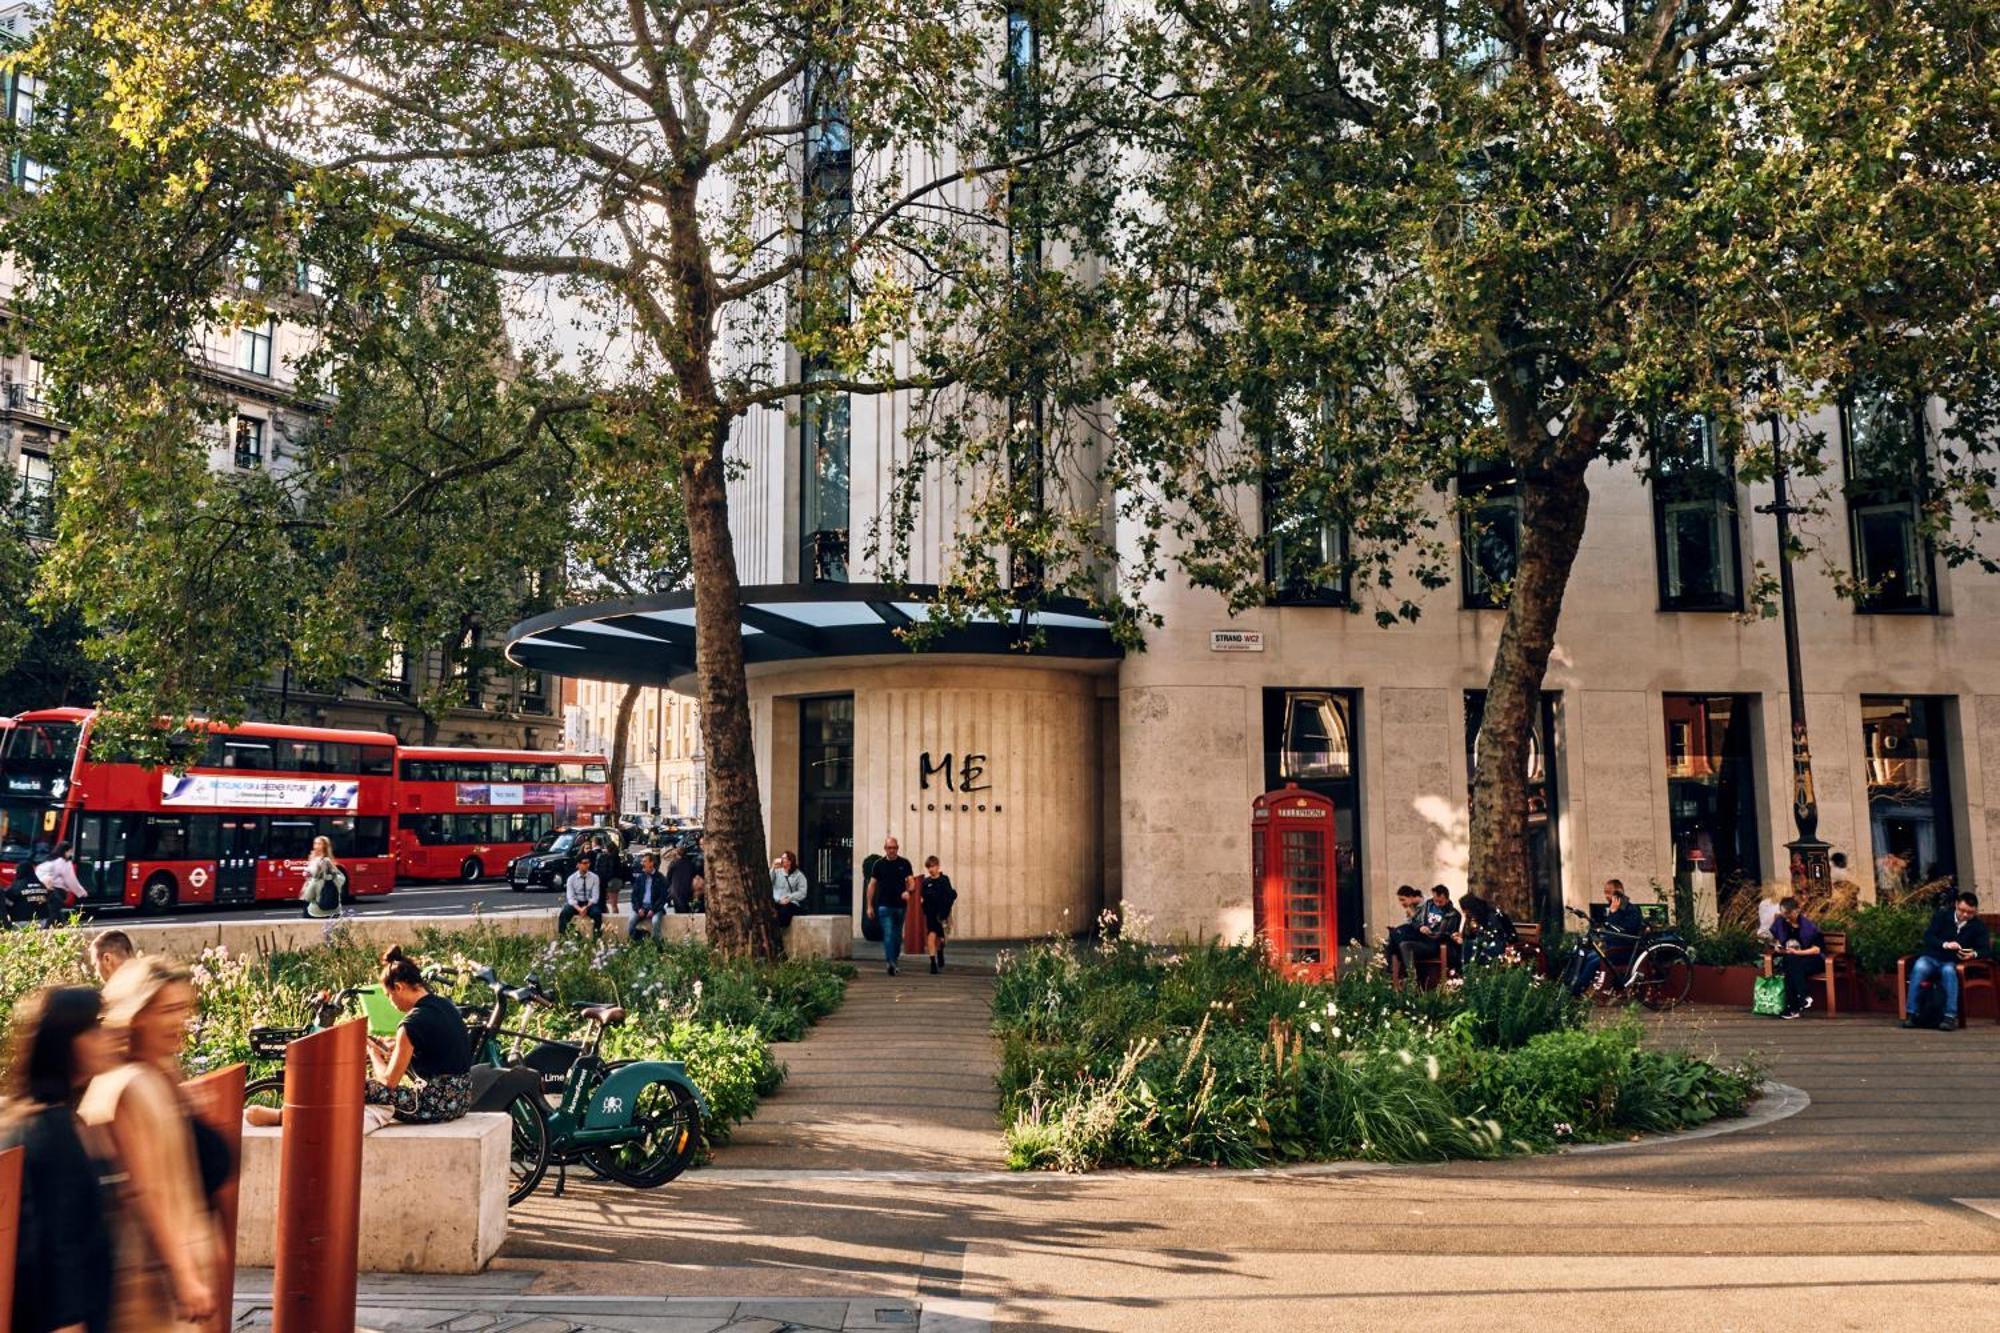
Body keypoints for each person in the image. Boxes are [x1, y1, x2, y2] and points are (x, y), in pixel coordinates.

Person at [81, 957, 221, 1331]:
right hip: (152, 1281)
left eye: (184, 1009)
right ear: (137, 1015)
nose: (181, 1021)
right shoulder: (127, 1086)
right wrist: (184, 1275)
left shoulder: (162, 1074)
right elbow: (145, 1191)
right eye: (169, 1010)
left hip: (181, 1271)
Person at [247, 947, 473, 1127]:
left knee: (347, 1084)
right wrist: (392, 1046)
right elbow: (437, 1048)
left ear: (399, 987)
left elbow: (388, 1083)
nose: (392, 1004)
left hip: (431, 1104)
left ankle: (284, 1117)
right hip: (461, 1098)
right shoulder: (444, 1005)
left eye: (389, 996)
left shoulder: (411, 1023)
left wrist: (374, 1053)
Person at [4, 986, 118, 1333]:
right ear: (67, 1042)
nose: (108, 1037)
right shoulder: (51, 1131)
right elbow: (56, 1246)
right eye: (95, 1027)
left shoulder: (54, 1118)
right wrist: (69, 1324)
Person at [1902, 891, 1993, 1032]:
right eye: (1962, 910)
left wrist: (1973, 954)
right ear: (1956, 905)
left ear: (1975, 911)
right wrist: (1945, 944)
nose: (1964, 915)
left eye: (1970, 913)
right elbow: (1929, 937)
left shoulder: (1978, 926)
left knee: (1949, 972)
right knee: (1920, 967)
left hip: (1953, 961)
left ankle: (1949, 1016)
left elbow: (1986, 949)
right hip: (1932, 956)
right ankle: (1911, 1013)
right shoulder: (1942, 916)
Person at [1571, 880, 1645, 996]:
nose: (1606, 896)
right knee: (1586, 956)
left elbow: (1623, 932)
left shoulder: (1632, 910)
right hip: (1612, 948)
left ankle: (1576, 992)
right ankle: (1573, 986)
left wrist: (1613, 913)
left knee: (1593, 962)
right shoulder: (1614, 909)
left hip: (1624, 951)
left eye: (1608, 893)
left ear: (1618, 893)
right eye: (1605, 892)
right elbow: (1608, 930)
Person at [1769, 896, 1825, 1019]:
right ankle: (1803, 997)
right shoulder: (1781, 923)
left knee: (1792, 966)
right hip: (1794, 960)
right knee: (1791, 963)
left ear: (1797, 910)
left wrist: (1798, 953)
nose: (1786, 918)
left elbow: (1817, 950)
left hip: (1813, 959)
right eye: (1783, 914)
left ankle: (1793, 1007)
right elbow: (1777, 940)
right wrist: (1777, 947)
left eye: (1788, 914)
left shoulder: (1808, 927)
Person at [867, 836, 915, 975]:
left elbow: (912, 882)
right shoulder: (879, 864)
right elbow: (871, 885)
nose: (892, 850)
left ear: (897, 848)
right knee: (888, 934)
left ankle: (894, 959)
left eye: (894, 848)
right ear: (885, 849)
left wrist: (909, 891)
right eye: (889, 848)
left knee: (897, 936)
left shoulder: (904, 863)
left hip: (900, 906)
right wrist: (869, 906)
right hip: (884, 906)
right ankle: (890, 963)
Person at [1399, 884, 1461, 981]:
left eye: (1440, 901)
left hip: (1435, 945)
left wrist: (1431, 933)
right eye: (1435, 900)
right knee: (1402, 943)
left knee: (1405, 944)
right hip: (1421, 939)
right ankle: (1410, 976)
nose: (1437, 904)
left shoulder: (1453, 914)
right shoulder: (1428, 904)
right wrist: (1420, 927)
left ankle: (1412, 980)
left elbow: (1447, 935)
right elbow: (1414, 921)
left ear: (1447, 899)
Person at [1457, 892, 1518, 968]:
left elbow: (1494, 935)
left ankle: (1469, 972)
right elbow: (1469, 935)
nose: (1465, 913)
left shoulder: (1491, 915)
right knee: (1467, 945)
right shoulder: (1477, 916)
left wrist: (1477, 941)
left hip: (1500, 944)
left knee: (1471, 947)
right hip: (1488, 943)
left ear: (1471, 908)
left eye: (1465, 910)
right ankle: (1467, 972)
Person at [918, 855, 957, 974]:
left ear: (938, 866)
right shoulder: (926, 882)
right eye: (928, 867)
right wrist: (924, 907)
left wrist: (945, 911)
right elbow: (922, 897)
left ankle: (940, 951)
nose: (931, 869)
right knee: (931, 935)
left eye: (933, 866)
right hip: (931, 914)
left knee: (942, 939)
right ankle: (932, 963)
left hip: (943, 913)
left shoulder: (944, 880)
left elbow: (951, 895)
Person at [34, 841, 87, 923]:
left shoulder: (48, 860)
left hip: (44, 889)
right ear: (65, 851)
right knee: (54, 913)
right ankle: (48, 929)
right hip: (57, 891)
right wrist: (81, 892)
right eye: (70, 851)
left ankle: (61, 928)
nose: (71, 854)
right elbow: (70, 879)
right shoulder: (63, 862)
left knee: (55, 912)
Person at [1377, 885, 1424, 973]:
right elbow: (1410, 924)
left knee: (1393, 937)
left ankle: (1388, 970)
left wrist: (1413, 915)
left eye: (1403, 899)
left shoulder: (1426, 905)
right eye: (1400, 900)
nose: (1401, 903)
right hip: (1413, 934)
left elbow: (1422, 926)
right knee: (1391, 939)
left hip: (1422, 937)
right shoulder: (1411, 907)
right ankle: (1387, 969)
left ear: (1410, 897)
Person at [628, 852, 671, 941]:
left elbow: (663, 898)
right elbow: (634, 896)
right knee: (631, 922)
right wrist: (638, 909)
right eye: (642, 861)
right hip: (641, 907)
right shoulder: (640, 878)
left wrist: (653, 909)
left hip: (655, 908)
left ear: (651, 863)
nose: (642, 864)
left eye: (644, 861)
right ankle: (643, 938)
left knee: (655, 922)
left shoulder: (660, 878)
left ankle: (656, 947)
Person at [301, 835, 343, 919]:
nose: (316, 846)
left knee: (312, 915)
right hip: (312, 890)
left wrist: (311, 873)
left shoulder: (326, 860)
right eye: (315, 843)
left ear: (324, 846)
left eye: (319, 843)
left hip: (319, 892)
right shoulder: (313, 857)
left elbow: (320, 875)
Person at [560, 856, 604, 935]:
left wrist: (586, 907)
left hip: (589, 903)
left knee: (597, 914)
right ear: (578, 865)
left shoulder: (594, 877)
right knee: (565, 913)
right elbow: (570, 898)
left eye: (588, 863)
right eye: (584, 863)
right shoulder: (571, 879)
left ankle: (597, 938)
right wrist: (579, 909)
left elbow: (595, 897)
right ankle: (563, 937)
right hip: (576, 903)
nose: (587, 865)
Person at [772, 851, 808, 929]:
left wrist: (789, 898)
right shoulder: (777, 872)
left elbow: (802, 892)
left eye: (784, 858)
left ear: (790, 861)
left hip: (790, 903)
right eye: (782, 858)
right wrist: (773, 868)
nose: (782, 860)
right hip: (777, 901)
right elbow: (768, 881)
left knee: (785, 912)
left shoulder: (799, 875)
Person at [663, 844, 702, 915]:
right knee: (687, 910)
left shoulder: (673, 864)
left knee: (679, 911)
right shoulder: (690, 864)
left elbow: (668, 878)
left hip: (676, 891)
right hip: (688, 890)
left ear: (677, 854)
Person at [593, 834, 624, 916]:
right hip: (618, 881)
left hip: (611, 881)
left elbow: (610, 870)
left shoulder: (609, 858)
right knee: (614, 903)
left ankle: (614, 919)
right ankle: (615, 916)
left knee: (611, 904)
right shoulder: (617, 857)